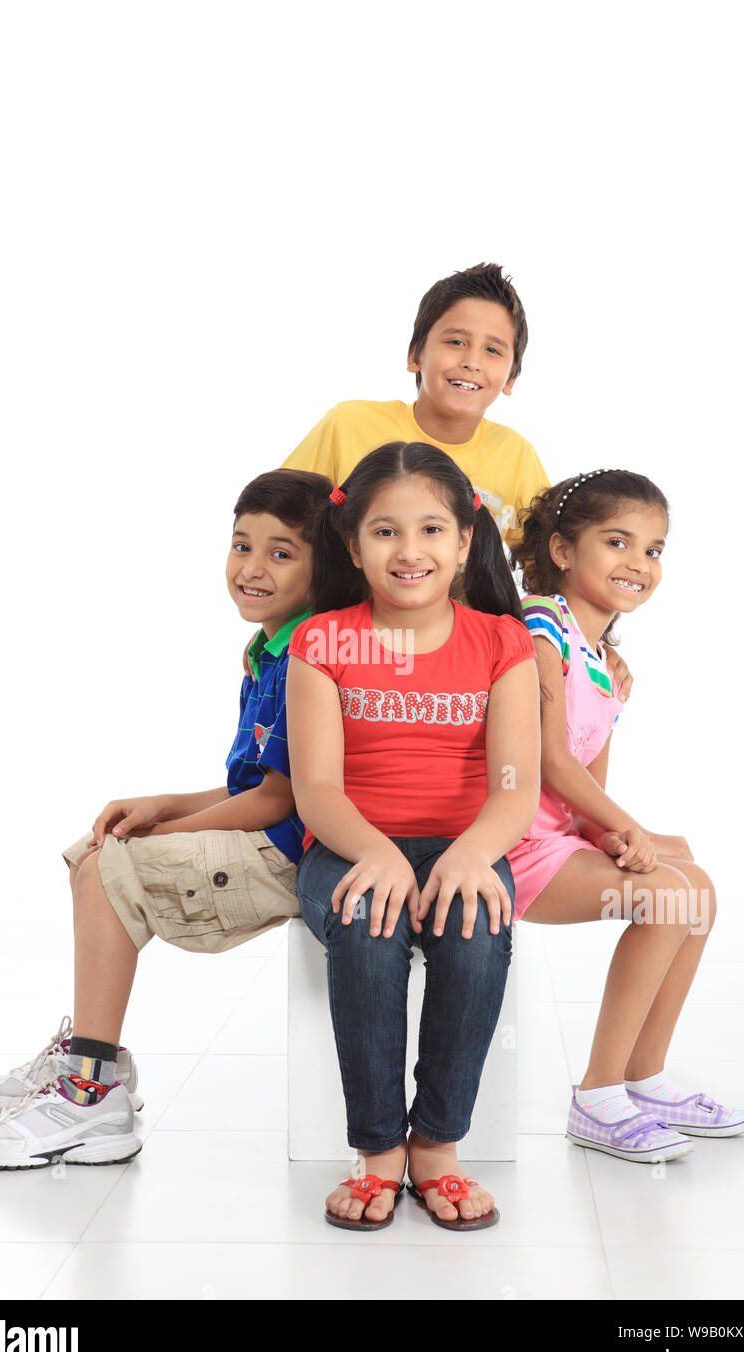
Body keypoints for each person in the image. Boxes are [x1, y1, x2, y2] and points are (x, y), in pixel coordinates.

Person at [0, 469, 330, 1169]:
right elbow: (256, 783)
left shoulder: (306, 652)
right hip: (270, 837)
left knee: (108, 863)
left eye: (281, 552)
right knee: (89, 852)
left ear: (323, 564)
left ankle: (89, 1094)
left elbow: (280, 803)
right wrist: (165, 807)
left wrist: (162, 833)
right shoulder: (268, 648)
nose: (252, 568)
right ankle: (97, 1062)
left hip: (289, 859)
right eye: (242, 545)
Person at [287, 441, 541, 1229]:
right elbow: (318, 789)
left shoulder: (503, 643)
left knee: (473, 930)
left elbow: (515, 785)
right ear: (355, 546)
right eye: (385, 532)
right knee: (369, 923)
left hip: (469, 843)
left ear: (464, 542)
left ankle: (436, 1146)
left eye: (432, 530)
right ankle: (375, 1153)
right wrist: (378, 853)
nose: (410, 551)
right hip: (353, 841)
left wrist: (471, 853)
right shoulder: (321, 642)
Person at [507, 469, 744, 1162]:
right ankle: (598, 1097)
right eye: (618, 542)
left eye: (654, 549)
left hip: (556, 837)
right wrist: (632, 835)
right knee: (670, 899)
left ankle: (644, 1078)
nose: (638, 564)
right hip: (511, 844)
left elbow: (588, 787)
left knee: (694, 889)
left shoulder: (605, 660)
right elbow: (550, 763)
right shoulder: (539, 630)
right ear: (561, 549)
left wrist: (623, 835)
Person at [280, 261, 634, 701]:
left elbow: (555, 569)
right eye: (455, 342)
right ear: (416, 355)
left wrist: (593, 645)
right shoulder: (350, 424)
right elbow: (280, 524)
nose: (471, 361)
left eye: (493, 350)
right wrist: (278, 630)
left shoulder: (515, 456)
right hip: (342, 653)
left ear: (512, 378)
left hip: (459, 668)